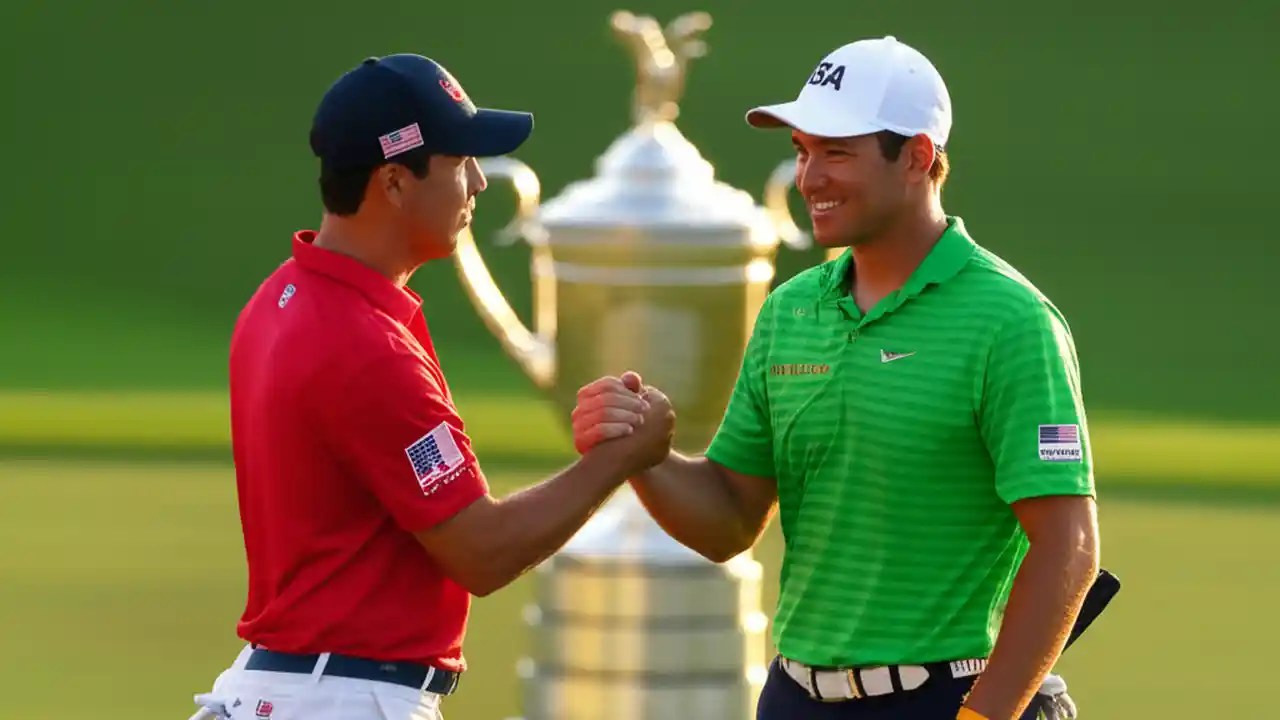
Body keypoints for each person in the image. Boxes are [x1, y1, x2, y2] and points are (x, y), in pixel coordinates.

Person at [572, 36, 1099, 720]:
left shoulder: (1011, 321)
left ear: (917, 157)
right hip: (793, 697)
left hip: (943, 699)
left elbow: (1068, 548)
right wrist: (644, 456)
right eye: (803, 151)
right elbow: (729, 519)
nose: (809, 178)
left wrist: (984, 716)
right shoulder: (790, 311)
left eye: (837, 153)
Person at [188, 54, 674, 720]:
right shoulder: (366, 346)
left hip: (285, 684)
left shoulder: (281, 296)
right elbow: (483, 551)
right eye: (460, 160)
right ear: (393, 181)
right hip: (346, 698)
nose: (478, 181)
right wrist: (619, 457)